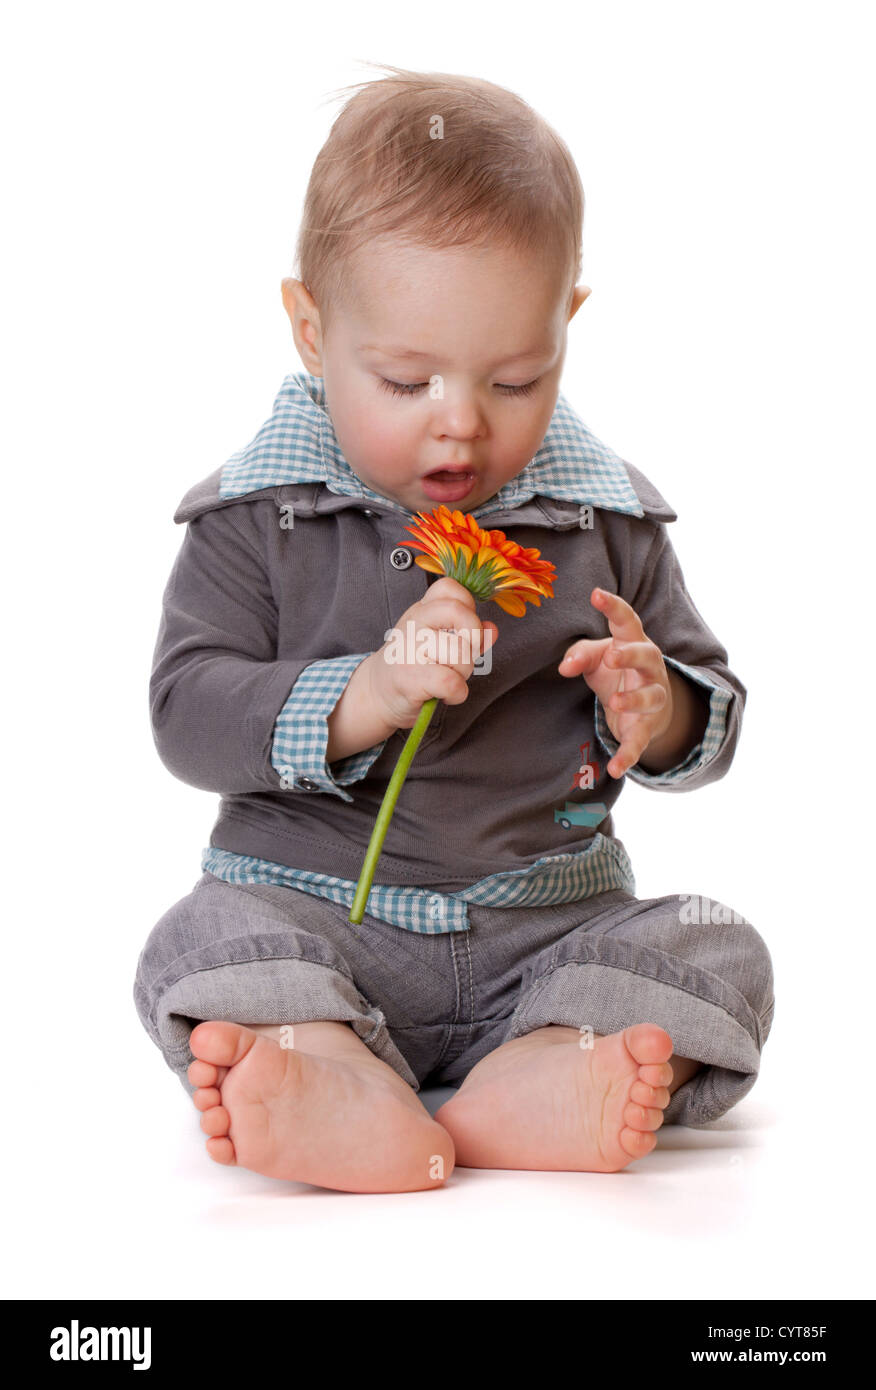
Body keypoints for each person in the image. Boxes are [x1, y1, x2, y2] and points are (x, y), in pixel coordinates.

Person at [134, 65, 774, 1193]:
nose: (463, 424)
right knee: (201, 940)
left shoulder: (605, 519)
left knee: (719, 948)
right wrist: (362, 693)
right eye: (406, 377)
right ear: (311, 330)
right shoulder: (260, 515)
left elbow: (711, 711)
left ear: (565, 327)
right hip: (320, 920)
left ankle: (543, 1067)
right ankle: (321, 1058)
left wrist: (658, 705)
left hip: (550, 934)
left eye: (517, 377)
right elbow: (187, 715)